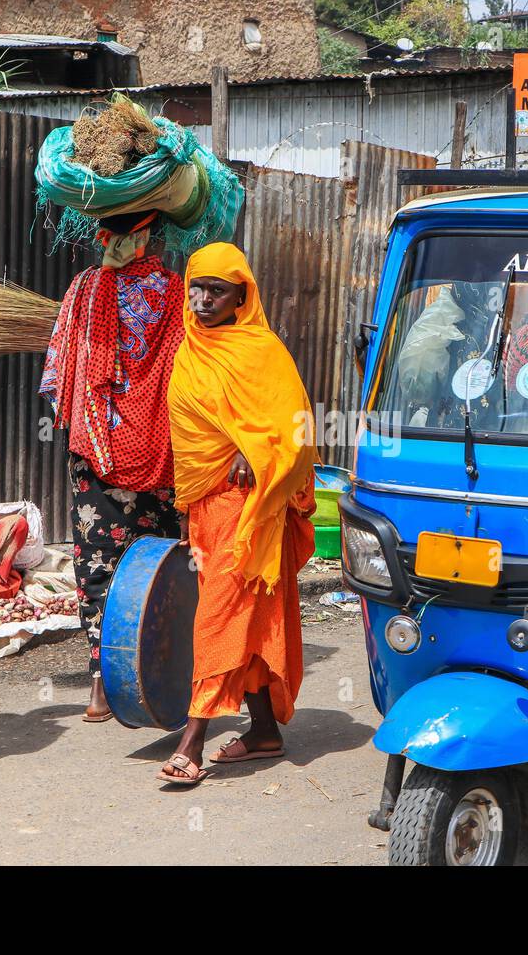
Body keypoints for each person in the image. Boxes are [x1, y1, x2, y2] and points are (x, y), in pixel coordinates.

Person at [158, 242, 317, 785]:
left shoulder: (262, 351)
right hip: (207, 509)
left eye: (217, 291)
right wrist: (188, 506)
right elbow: (189, 440)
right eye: (196, 288)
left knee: (219, 618)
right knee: (249, 617)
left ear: (242, 296)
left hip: (252, 509)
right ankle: (265, 731)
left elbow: (295, 430)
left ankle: (192, 741)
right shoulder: (189, 350)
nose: (202, 301)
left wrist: (257, 451)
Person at [40, 209, 184, 723]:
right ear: (151, 239)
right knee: (163, 563)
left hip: (96, 451)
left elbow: (58, 375)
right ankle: (163, 675)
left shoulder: (84, 290)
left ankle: (102, 686)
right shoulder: (177, 293)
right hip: (162, 451)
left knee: (99, 565)